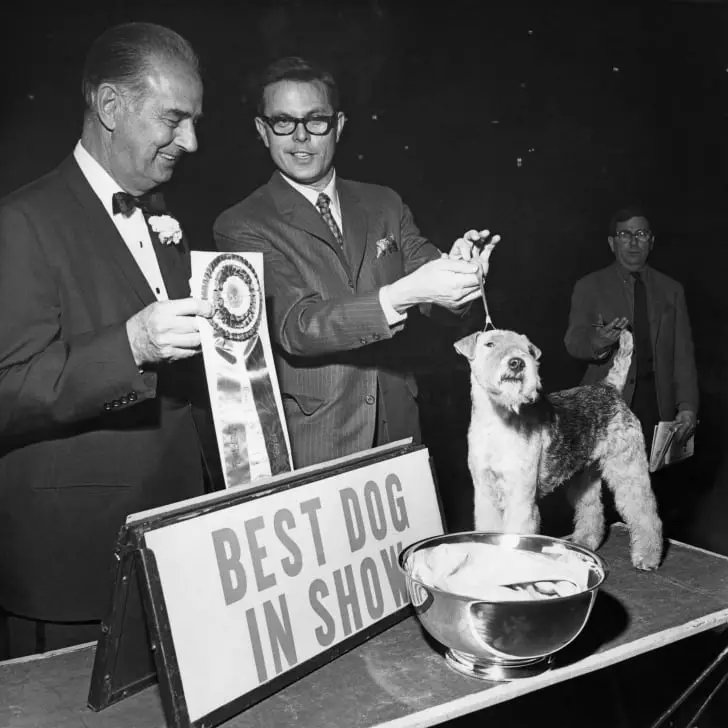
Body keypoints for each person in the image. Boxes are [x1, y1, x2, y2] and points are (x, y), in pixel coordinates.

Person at [0, 22, 218, 658]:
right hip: (73, 568)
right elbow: (7, 391)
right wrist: (130, 347)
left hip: (177, 545)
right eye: (174, 118)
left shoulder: (163, 211)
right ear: (110, 106)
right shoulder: (21, 223)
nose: (193, 141)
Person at [214, 56, 498, 469]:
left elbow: (435, 296)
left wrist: (460, 277)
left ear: (339, 125)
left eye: (316, 121)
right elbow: (297, 326)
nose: (300, 137)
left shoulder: (384, 202)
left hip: (401, 426)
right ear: (262, 130)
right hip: (317, 438)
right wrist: (401, 294)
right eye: (283, 122)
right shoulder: (240, 224)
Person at [564, 205, 699, 454]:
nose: (633, 242)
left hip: (657, 407)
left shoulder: (672, 290)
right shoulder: (589, 286)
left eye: (641, 234)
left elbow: (683, 356)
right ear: (612, 243)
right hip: (605, 405)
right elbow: (573, 341)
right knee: (604, 486)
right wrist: (599, 341)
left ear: (651, 241)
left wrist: (688, 405)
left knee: (654, 487)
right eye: (625, 235)